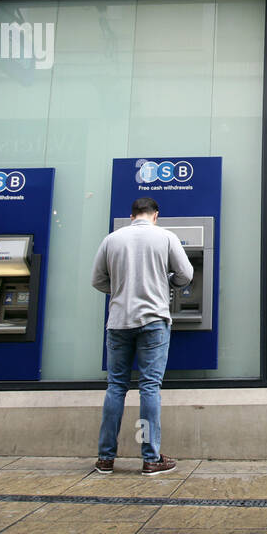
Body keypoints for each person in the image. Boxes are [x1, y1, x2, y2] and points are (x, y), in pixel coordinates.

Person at [90, 196, 193, 476]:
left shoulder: (112, 239)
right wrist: (168, 281)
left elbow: (97, 280)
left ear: (132, 214)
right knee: (149, 387)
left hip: (119, 321)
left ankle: (105, 458)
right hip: (154, 320)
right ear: (155, 214)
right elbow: (186, 273)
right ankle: (150, 458)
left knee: (116, 387)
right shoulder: (166, 237)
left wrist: (122, 289)